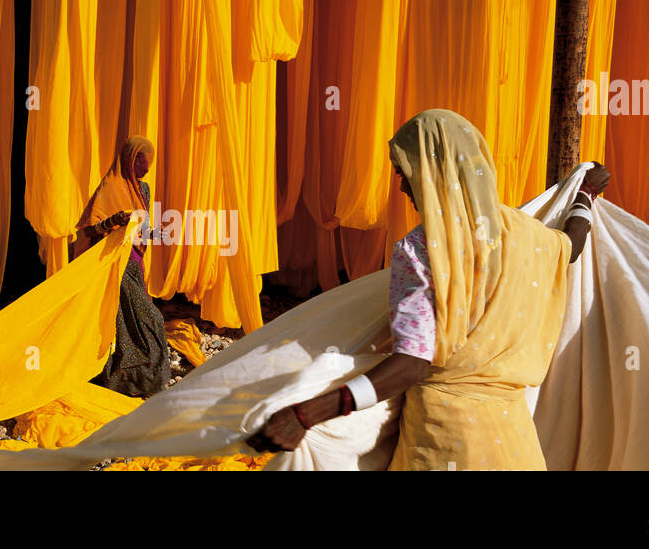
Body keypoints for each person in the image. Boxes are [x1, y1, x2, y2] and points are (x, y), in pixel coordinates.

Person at [247, 109, 610, 470]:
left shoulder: (424, 249)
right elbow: (572, 244)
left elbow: (411, 365)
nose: (403, 187)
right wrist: (585, 195)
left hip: (444, 439)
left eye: (405, 173)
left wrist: (306, 415)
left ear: (437, 172)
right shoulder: (529, 237)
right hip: (516, 442)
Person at [72, 136, 172, 397]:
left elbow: (141, 230)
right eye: (140, 160)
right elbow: (90, 230)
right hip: (114, 264)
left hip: (135, 264)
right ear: (128, 159)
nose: (146, 166)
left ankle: (141, 380)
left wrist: (156, 234)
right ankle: (125, 377)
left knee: (131, 320)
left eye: (148, 160)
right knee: (143, 318)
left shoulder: (144, 190)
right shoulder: (110, 187)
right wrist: (114, 220)